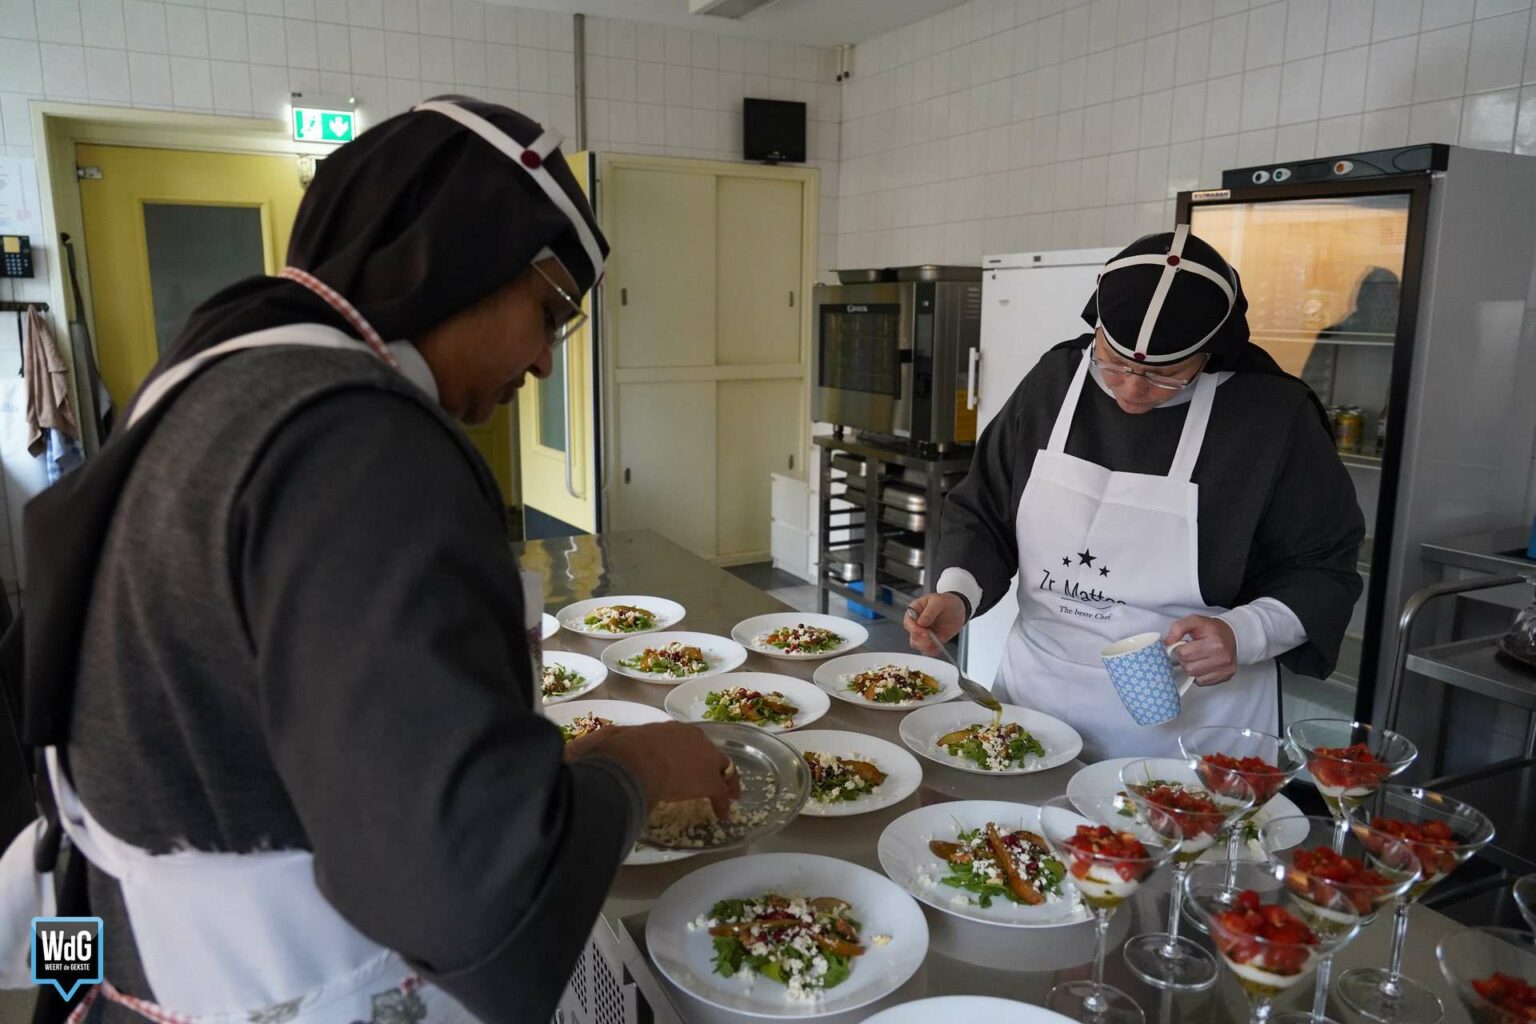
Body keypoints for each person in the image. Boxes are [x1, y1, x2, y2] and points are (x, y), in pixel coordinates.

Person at [0, 97, 734, 1024]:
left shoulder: (226, 368)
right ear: (460, 251)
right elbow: (474, 901)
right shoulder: (357, 443)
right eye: (549, 311)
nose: (546, 361)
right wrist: (636, 770)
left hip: (127, 955)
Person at [904, 228, 1364, 760]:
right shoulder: (1057, 380)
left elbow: (1322, 566)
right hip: (1036, 701)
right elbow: (984, 508)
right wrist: (958, 594)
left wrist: (1245, 632)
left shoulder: (1272, 416)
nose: (1131, 389)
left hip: (1195, 725)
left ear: (1211, 353)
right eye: (1113, 362)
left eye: (1165, 375)